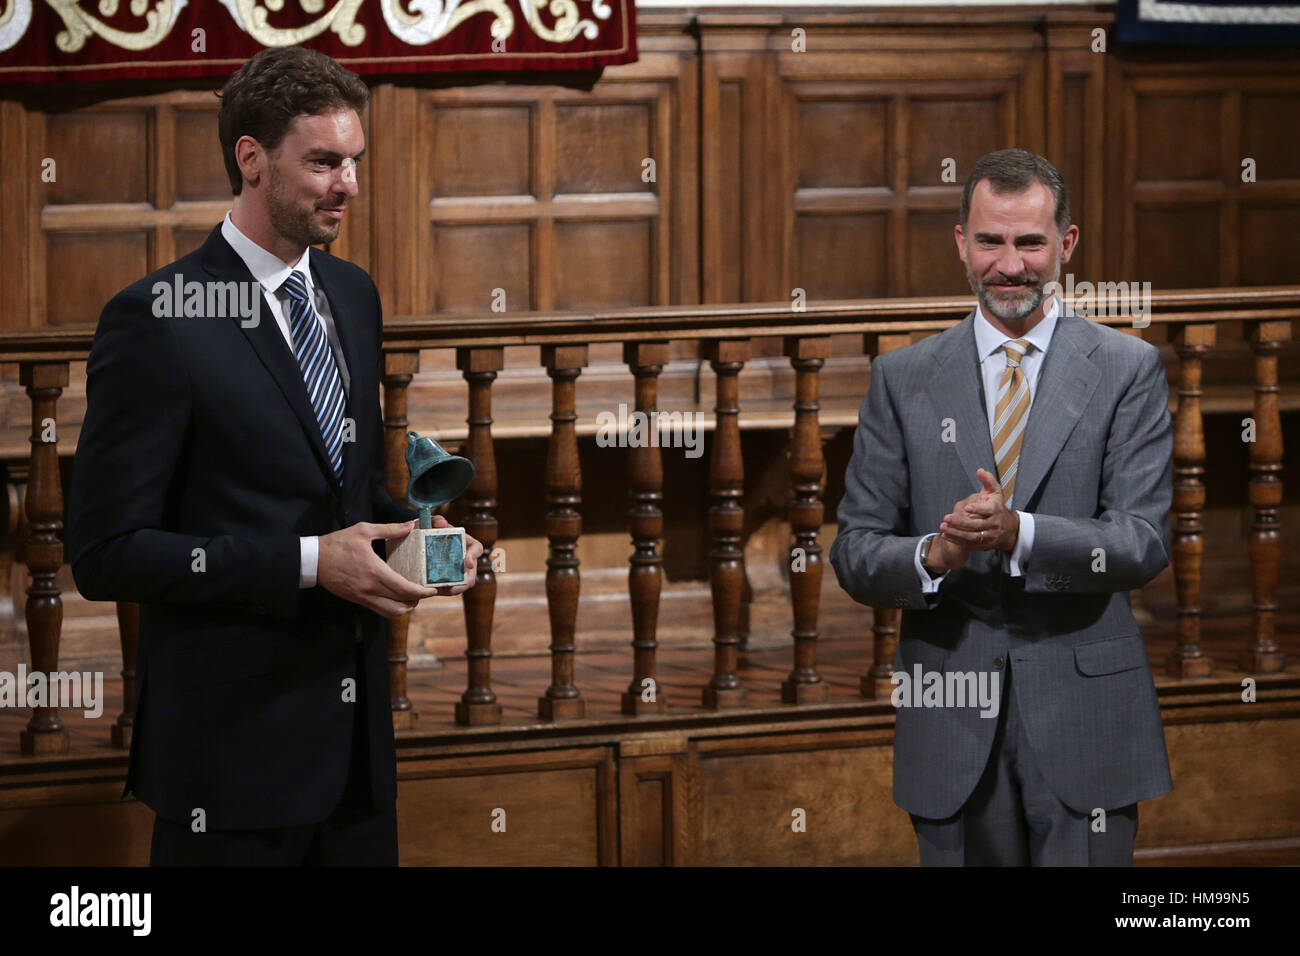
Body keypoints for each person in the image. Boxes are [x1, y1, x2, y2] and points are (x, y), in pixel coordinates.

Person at [66, 47, 481, 866]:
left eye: (354, 161)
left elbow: (350, 488)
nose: (348, 186)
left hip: (355, 761)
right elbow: (106, 554)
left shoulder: (353, 294)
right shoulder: (157, 316)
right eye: (323, 162)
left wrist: (417, 538)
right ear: (251, 159)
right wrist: (308, 563)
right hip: (230, 761)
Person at [828, 148, 1173, 866]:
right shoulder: (902, 379)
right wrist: (937, 554)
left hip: (1087, 720)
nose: (1010, 265)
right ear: (961, 243)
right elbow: (856, 551)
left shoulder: (1126, 368)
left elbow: (1140, 542)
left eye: (1030, 243)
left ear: (1066, 245)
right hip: (949, 713)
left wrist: (1020, 533)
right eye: (990, 241)